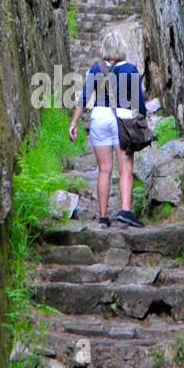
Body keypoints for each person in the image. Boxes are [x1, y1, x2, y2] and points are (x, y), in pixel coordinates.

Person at [68, 31, 146, 227]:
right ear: (121, 49)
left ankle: (103, 216)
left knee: (104, 170)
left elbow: (83, 98)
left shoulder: (96, 69)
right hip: (122, 119)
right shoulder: (130, 69)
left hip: (99, 117)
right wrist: (143, 121)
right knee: (125, 169)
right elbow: (139, 102)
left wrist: (74, 123)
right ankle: (125, 211)